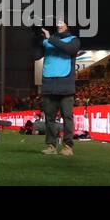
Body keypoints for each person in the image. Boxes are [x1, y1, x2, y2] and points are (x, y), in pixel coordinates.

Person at [37, 18, 80, 156]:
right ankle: (51, 145)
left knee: (67, 117)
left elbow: (69, 49)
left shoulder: (74, 40)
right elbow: (35, 55)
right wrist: (37, 38)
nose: (59, 25)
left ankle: (67, 146)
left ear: (68, 25)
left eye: (62, 23)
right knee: (49, 118)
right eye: (58, 23)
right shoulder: (47, 41)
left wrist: (50, 38)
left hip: (66, 87)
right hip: (49, 86)